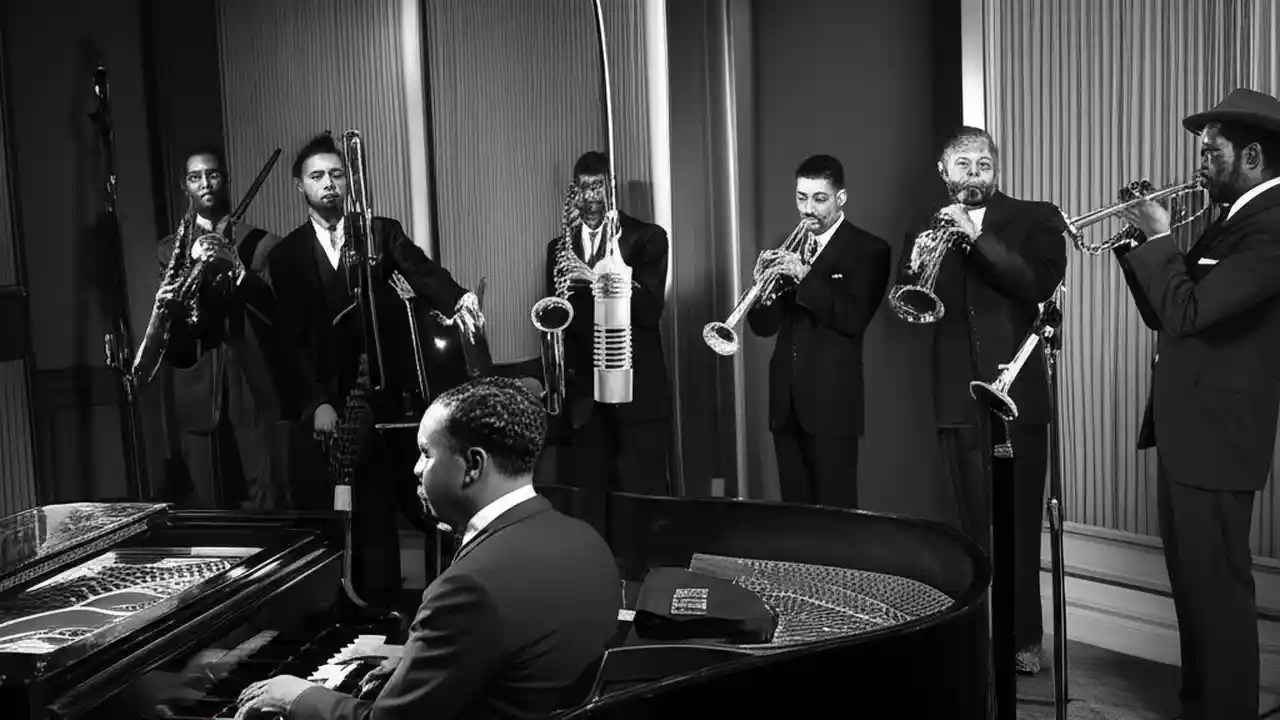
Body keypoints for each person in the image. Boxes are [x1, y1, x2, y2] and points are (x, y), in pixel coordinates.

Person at [233, 377, 621, 720]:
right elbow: (521, 649)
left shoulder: (469, 589)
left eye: (426, 453)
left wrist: (298, 696)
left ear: (472, 464)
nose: (416, 469)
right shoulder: (586, 540)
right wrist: (426, 662)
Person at [1114, 87, 1280, 720]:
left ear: (1253, 156)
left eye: (1212, 150)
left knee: (1219, 593)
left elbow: (1187, 311)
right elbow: (1167, 308)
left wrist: (1159, 237)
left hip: (1218, 437)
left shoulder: (1271, 225)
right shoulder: (1232, 218)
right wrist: (1137, 246)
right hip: (1190, 433)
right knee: (1192, 590)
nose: (1200, 161)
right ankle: (1200, 704)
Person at [268, 132, 484, 602]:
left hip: (390, 392)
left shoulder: (380, 232)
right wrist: (316, 403)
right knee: (358, 507)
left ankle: (435, 595)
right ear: (300, 186)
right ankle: (364, 606)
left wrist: (461, 298)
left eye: (337, 175)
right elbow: (291, 343)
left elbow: (422, 272)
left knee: (410, 498)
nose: (329, 184)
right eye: (317, 176)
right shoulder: (286, 255)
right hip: (336, 401)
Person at [897, 128, 1066, 713]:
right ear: (944, 171)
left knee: (1018, 523)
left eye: (984, 163)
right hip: (955, 396)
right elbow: (910, 301)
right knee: (974, 525)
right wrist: (919, 263)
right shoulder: (925, 225)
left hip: (1016, 393)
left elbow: (1036, 284)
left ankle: (1023, 637)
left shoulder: (1034, 218)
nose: (975, 172)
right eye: (963, 164)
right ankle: (980, 632)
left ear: (997, 168)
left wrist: (977, 234)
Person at [746, 154, 891, 509]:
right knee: (796, 514)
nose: (808, 208)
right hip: (785, 404)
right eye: (801, 197)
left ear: (840, 198)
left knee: (835, 514)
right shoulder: (787, 244)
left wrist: (804, 277)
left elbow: (852, 319)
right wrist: (760, 289)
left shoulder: (870, 250)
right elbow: (764, 328)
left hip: (831, 405)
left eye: (819, 198)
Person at [148, 145, 288, 510]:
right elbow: (172, 335)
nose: (205, 183)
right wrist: (172, 307)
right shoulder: (169, 251)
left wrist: (234, 269)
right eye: (195, 177)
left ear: (224, 180)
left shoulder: (260, 244)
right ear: (185, 186)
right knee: (210, 500)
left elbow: (275, 311)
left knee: (265, 492)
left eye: (212, 174)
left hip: (250, 380)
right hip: (198, 385)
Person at [541, 151, 672, 528]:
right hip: (584, 398)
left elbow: (648, 310)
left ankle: (648, 577)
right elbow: (556, 314)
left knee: (641, 499)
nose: (590, 197)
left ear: (611, 189)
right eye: (582, 189)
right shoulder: (559, 248)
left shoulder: (647, 237)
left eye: (597, 187)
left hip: (636, 394)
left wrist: (595, 276)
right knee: (589, 506)